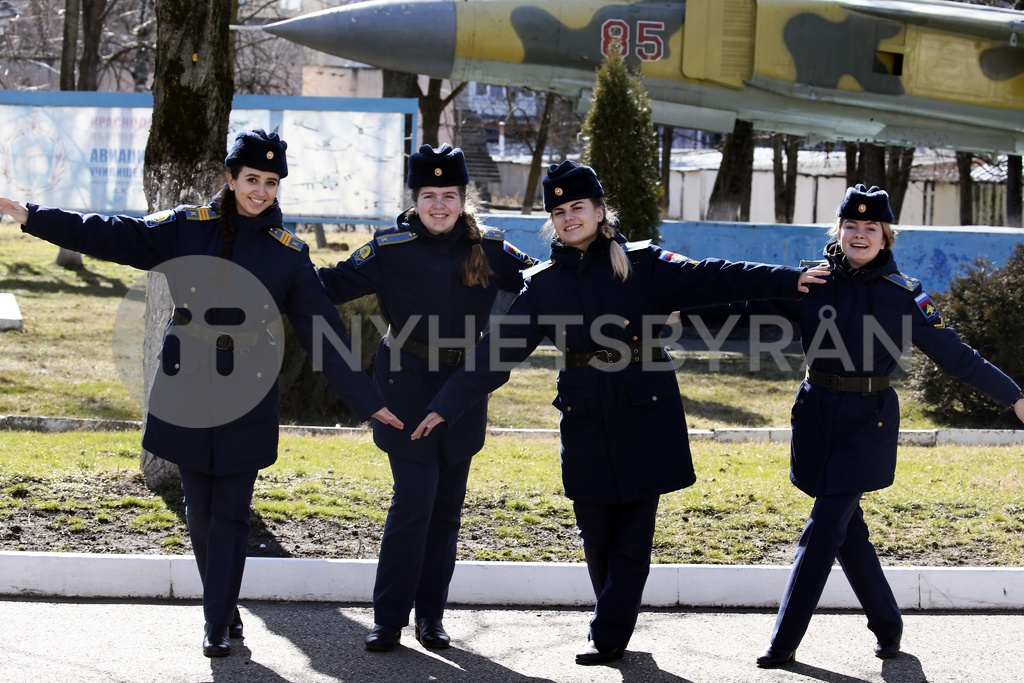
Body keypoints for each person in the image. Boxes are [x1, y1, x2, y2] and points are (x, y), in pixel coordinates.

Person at [0, 129, 403, 658]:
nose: (261, 191)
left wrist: (369, 401)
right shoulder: (187, 228)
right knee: (199, 508)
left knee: (232, 509)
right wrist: (32, 216)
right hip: (186, 382)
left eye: (271, 182)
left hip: (247, 388)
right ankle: (223, 606)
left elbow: (323, 332)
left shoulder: (288, 254)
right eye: (252, 179)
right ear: (230, 179)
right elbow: (115, 235)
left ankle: (215, 619)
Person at [410, 160, 830, 665]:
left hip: (643, 409)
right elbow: (495, 355)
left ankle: (608, 634)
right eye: (559, 212)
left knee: (632, 534)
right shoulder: (543, 285)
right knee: (595, 530)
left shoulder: (643, 263)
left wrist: (789, 279)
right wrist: (445, 404)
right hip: (585, 413)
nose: (569, 218)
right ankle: (613, 621)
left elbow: (715, 277)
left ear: (599, 210)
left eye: (577, 207)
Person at [744, 184, 1024, 668]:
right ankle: (888, 625)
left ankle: (783, 642)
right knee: (846, 530)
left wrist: (1015, 397)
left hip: (866, 421)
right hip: (815, 414)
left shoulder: (903, 295)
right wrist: (679, 310)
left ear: (885, 237)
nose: (859, 234)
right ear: (838, 231)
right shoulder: (811, 281)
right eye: (851, 225)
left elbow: (957, 356)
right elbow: (746, 308)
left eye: (870, 227)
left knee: (823, 528)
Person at [316, 144, 536, 652]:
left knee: (447, 510)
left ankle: (431, 617)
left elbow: (542, 282)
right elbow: (328, 285)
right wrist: (273, 270)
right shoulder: (390, 249)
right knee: (414, 502)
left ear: (463, 200)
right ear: (414, 199)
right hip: (406, 385)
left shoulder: (491, 249)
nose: (440, 205)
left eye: (449, 195)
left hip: (464, 388)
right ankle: (389, 618)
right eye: (429, 195)